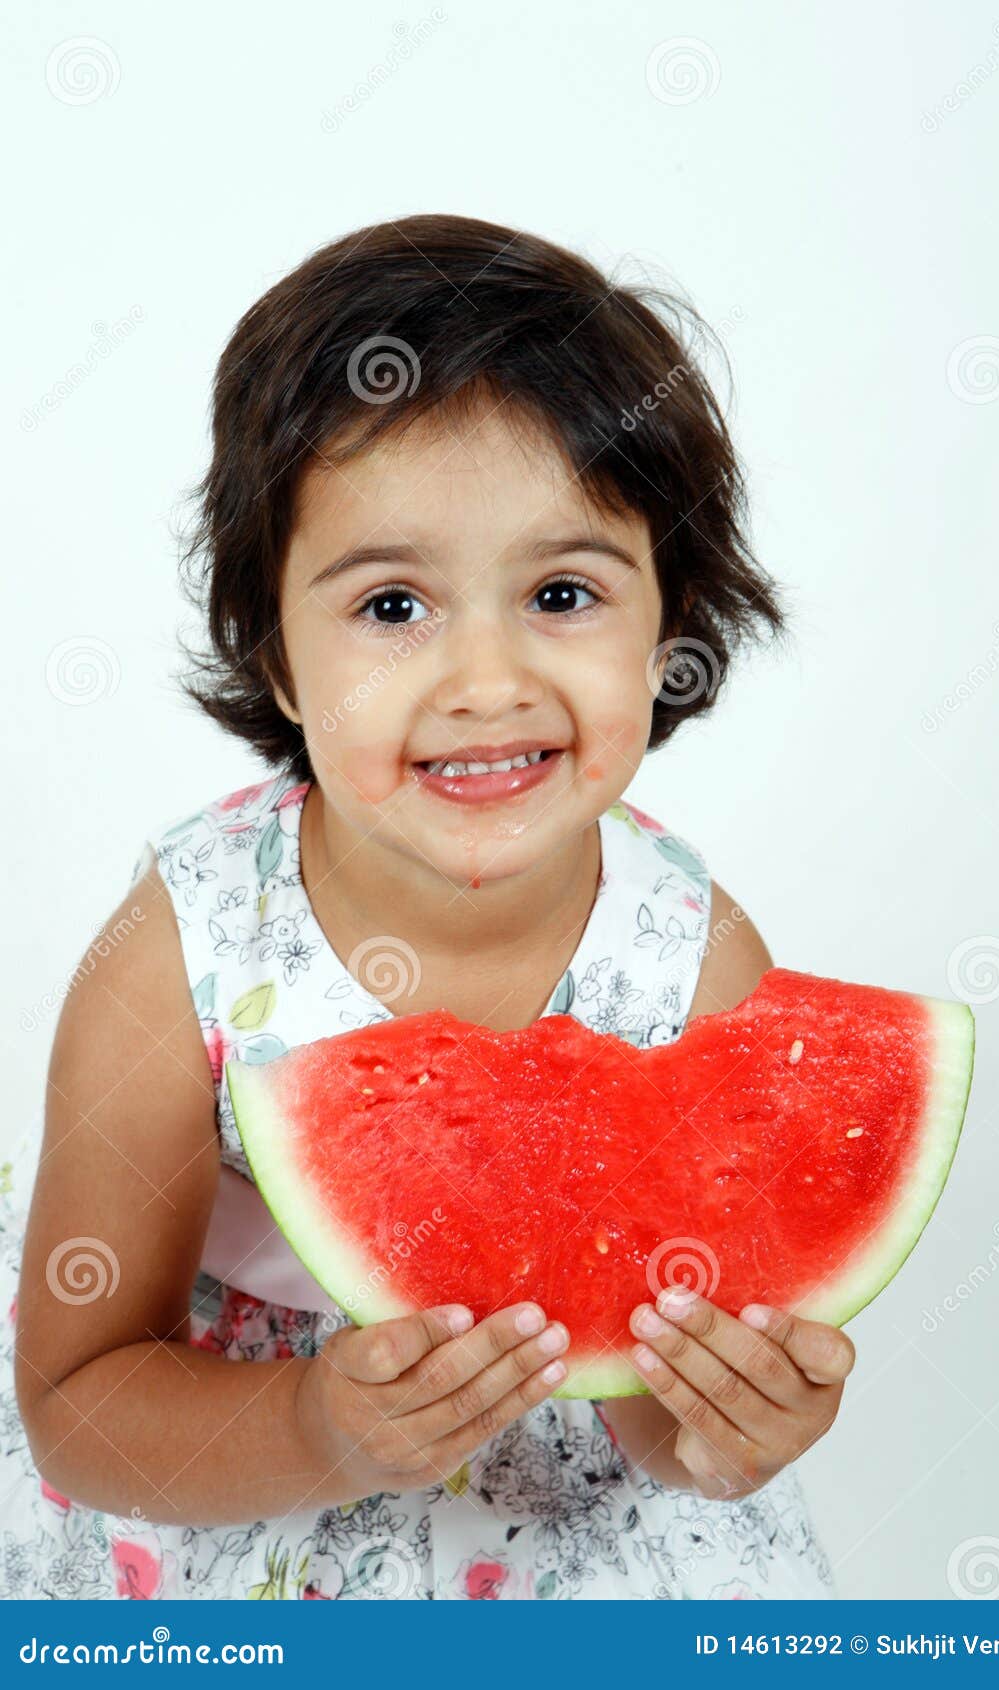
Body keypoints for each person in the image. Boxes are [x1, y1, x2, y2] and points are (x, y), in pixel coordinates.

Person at [1, 214, 854, 1600]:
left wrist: (720, 1425)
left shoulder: (692, 960)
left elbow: (646, 1393)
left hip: (573, 1527)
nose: (484, 679)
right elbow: (82, 1399)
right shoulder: (183, 943)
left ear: (671, 631)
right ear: (276, 657)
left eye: (562, 592)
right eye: (393, 605)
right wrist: (315, 1427)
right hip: (242, 1493)